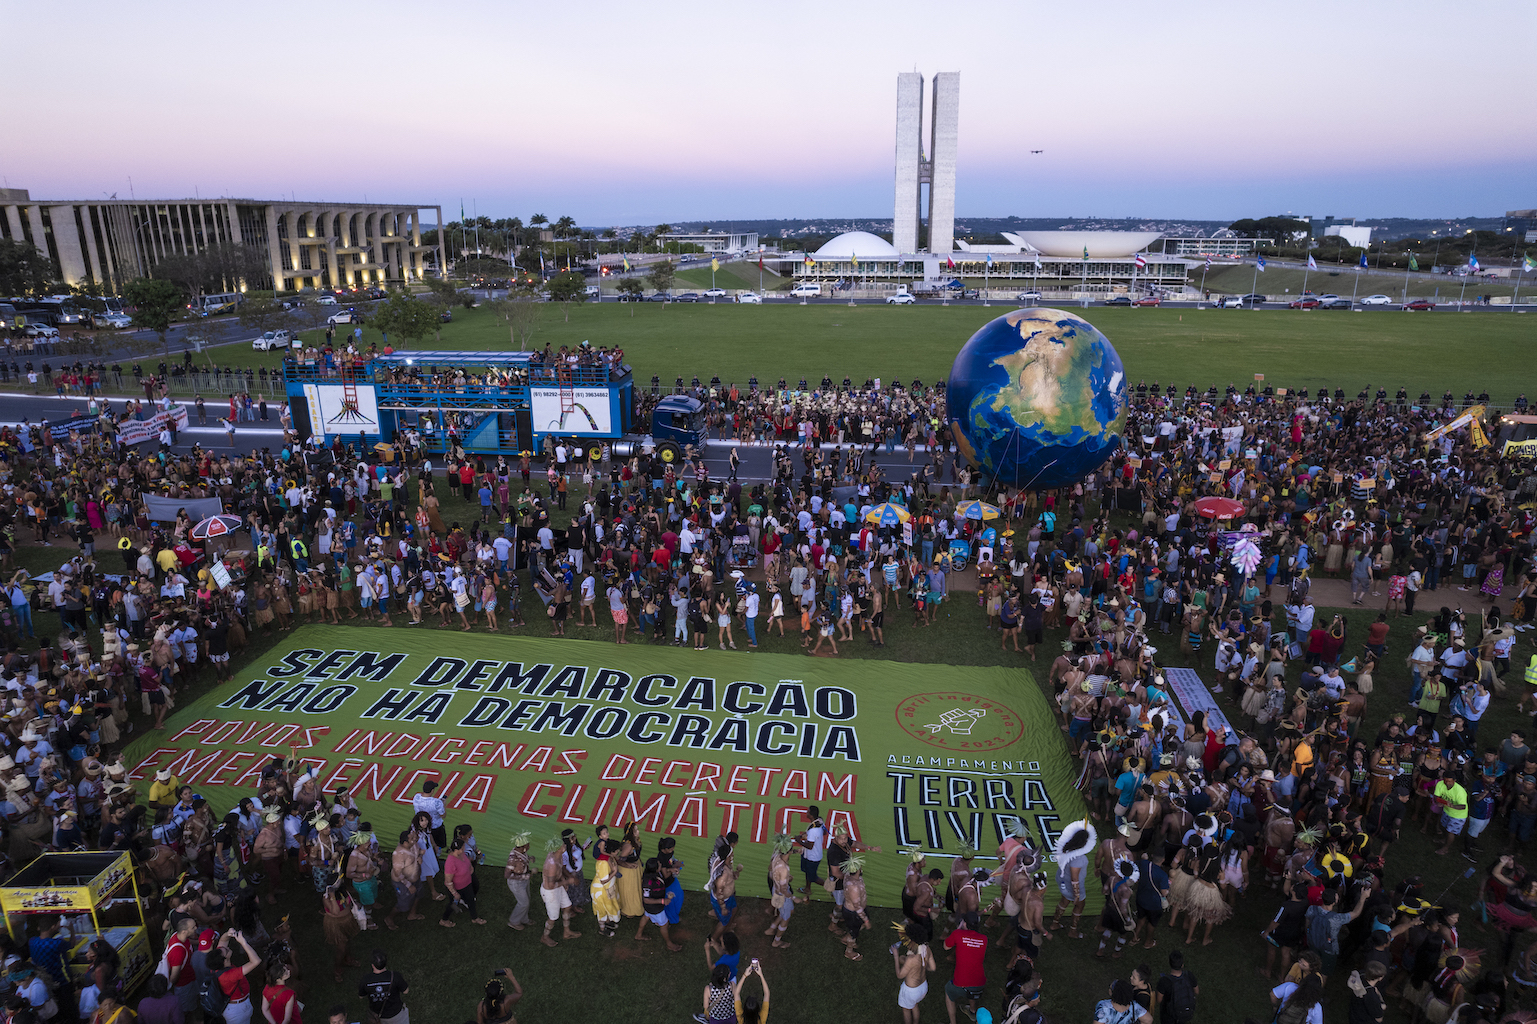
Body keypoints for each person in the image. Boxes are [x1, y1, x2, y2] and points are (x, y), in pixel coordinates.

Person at [943, 915, 987, 1024]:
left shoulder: (958, 934)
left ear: (965, 924)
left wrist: (958, 929)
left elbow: (945, 946)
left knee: (948, 991)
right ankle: (972, 1011)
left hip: (961, 983)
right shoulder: (984, 938)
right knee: (972, 989)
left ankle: (953, 1023)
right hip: (979, 982)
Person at [539, 835, 580, 945]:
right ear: (558, 848)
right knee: (553, 917)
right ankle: (545, 936)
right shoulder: (551, 864)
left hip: (557, 886)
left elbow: (561, 869)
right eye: (563, 845)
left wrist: (562, 879)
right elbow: (551, 885)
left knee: (567, 906)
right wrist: (567, 882)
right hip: (550, 892)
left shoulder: (559, 855)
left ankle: (566, 932)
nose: (565, 845)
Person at [893, 923, 936, 1024]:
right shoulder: (927, 948)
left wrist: (896, 956)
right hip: (923, 987)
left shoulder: (911, 959)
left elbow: (899, 975)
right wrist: (922, 966)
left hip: (910, 991)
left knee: (906, 1009)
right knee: (914, 1004)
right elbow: (933, 968)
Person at [359, 950, 409, 1024]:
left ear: (372, 965)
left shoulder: (366, 979)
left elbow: (361, 996)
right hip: (396, 1015)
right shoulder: (395, 976)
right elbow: (406, 991)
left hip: (377, 1016)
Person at [1154, 951, 1199, 1024]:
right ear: (1182, 965)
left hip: (1168, 1015)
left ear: (1170, 964)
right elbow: (1197, 991)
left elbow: (1159, 1000)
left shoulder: (1164, 981)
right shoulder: (1189, 975)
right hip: (1184, 1013)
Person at [504, 832, 533, 930]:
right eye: (528, 844)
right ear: (523, 846)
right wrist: (527, 876)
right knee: (523, 903)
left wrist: (529, 858)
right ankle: (514, 921)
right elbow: (507, 875)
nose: (529, 846)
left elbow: (523, 860)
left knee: (527, 900)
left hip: (523, 881)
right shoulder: (513, 858)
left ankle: (524, 919)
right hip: (516, 884)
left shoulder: (521, 852)